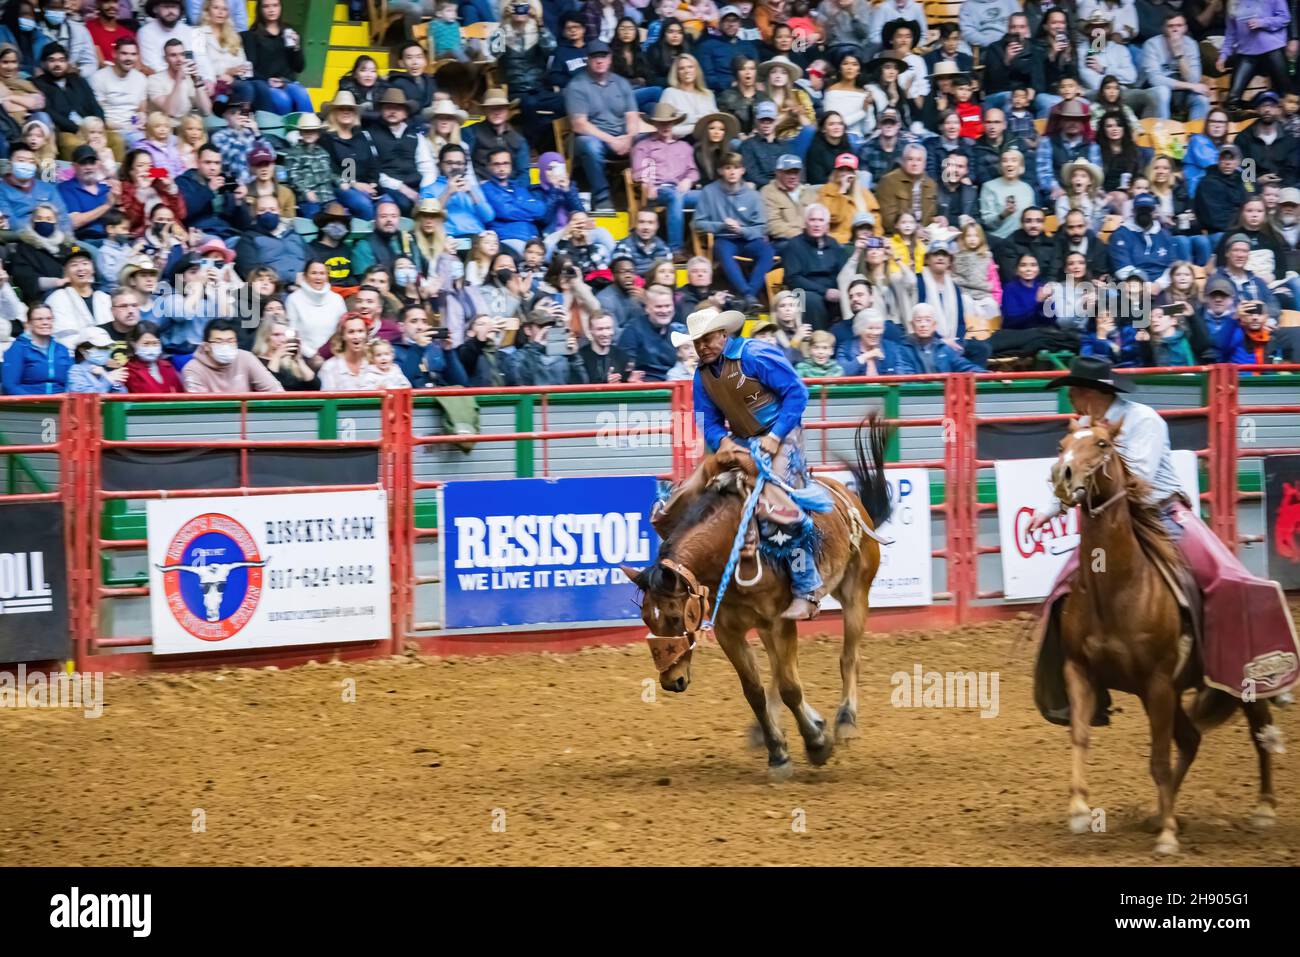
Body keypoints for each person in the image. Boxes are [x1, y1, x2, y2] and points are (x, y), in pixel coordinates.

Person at [1029, 354, 1300, 714]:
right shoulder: (1085, 427)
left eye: (1073, 392)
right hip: (1113, 522)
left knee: (1223, 575)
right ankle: (1074, 690)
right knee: (1064, 592)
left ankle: (1258, 665)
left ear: (1088, 393)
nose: (1071, 400)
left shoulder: (1144, 421)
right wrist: (1048, 509)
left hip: (1163, 512)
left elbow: (1137, 477)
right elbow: (1071, 475)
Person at [674, 304, 825, 618]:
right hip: (742, 441)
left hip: (783, 436)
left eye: (707, 339)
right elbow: (707, 419)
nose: (701, 347)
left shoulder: (755, 355)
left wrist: (776, 435)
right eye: (696, 342)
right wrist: (723, 442)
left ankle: (806, 587)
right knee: (699, 490)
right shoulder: (702, 377)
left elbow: (797, 393)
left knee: (778, 502)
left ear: (723, 334)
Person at [564, 39, 639, 213]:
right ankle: (602, 197)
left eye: (603, 56)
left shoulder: (622, 83)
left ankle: (645, 193)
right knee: (589, 144)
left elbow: (633, 117)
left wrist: (629, 137)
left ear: (610, 58)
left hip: (622, 137)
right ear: (587, 60)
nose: (599, 61)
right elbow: (579, 124)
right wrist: (612, 140)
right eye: (594, 57)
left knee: (647, 141)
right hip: (596, 138)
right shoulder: (577, 86)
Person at [692, 151, 773, 312]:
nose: (732, 172)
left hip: (747, 238)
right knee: (722, 249)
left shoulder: (753, 195)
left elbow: (762, 226)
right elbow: (697, 223)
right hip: (724, 238)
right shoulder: (709, 191)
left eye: (736, 168)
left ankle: (748, 295)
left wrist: (743, 230)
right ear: (721, 171)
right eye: (728, 168)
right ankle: (748, 294)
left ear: (742, 170)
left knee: (768, 251)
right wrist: (721, 225)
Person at [630, 101, 699, 255]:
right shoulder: (644, 146)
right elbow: (639, 171)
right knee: (675, 197)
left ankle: (701, 243)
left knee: (709, 195)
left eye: (669, 123)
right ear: (654, 124)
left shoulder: (684, 146)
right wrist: (648, 184)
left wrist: (688, 180)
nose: (666, 126)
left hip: (680, 189)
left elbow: (693, 171)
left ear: (674, 123)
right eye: (661, 123)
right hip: (657, 190)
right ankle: (675, 249)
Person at [365, 87, 434, 215]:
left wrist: (425, 192)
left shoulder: (416, 136)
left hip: (418, 186)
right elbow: (373, 171)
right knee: (404, 204)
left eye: (397, 108)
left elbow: (427, 166)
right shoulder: (369, 135)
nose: (392, 111)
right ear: (381, 110)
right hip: (389, 186)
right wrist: (402, 188)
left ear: (405, 113)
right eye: (388, 107)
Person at [780, 204, 847, 330]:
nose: (816, 224)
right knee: (812, 300)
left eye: (821, 220)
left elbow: (844, 272)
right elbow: (793, 279)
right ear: (805, 223)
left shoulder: (833, 244)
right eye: (813, 220)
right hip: (804, 291)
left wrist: (841, 291)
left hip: (833, 291)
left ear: (827, 225)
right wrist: (824, 292)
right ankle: (818, 341)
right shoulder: (794, 245)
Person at [31, 43, 104, 158]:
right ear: (43, 64)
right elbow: (48, 111)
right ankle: (73, 175)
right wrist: (78, 129)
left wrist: (98, 127)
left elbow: (94, 105)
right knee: (71, 143)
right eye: (52, 60)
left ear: (67, 63)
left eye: (61, 60)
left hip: (91, 127)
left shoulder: (79, 81)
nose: (57, 64)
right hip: (65, 131)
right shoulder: (37, 84)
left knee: (116, 139)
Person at [240, 0, 312, 115]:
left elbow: (299, 67)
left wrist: (297, 48)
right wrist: (268, 80)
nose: (271, 10)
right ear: (260, 9)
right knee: (283, 100)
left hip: (288, 82)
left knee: (302, 95)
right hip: (266, 83)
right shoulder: (251, 35)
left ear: (280, 7)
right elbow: (250, 69)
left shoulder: (289, 32)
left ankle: (309, 130)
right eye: (266, 6)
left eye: (275, 5)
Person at [1218, 0, 1290, 111]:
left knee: (1286, 95)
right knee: (1232, 100)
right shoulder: (1233, 2)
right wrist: (1223, 56)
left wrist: (1262, 23)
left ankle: (1290, 125)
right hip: (1246, 53)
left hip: (1272, 49)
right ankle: (1254, 112)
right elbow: (1230, 34)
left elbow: (1285, 17)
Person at [1140, 11, 1211, 121]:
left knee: (1202, 99)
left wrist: (1179, 55)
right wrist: (1191, 86)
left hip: (1183, 92)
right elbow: (1154, 80)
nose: (1175, 29)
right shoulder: (1152, 44)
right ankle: (1164, 132)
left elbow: (1194, 79)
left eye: (1179, 25)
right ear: (1163, 28)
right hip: (1158, 90)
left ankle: (1196, 134)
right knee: (1163, 92)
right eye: (1170, 26)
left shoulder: (1191, 44)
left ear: (1185, 28)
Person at [183, 316, 282, 392]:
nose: (226, 346)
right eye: (219, 341)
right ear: (206, 346)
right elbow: (199, 407)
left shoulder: (246, 358)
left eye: (230, 341)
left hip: (246, 416)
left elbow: (275, 390)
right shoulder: (193, 369)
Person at [481, 148, 546, 251]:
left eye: (506, 163)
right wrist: (526, 207)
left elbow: (540, 210)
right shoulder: (486, 188)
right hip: (509, 241)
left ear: (511, 165)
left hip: (533, 240)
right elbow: (505, 210)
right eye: (497, 164)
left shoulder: (518, 187)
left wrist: (514, 204)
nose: (502, 168)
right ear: (488, 167)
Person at [48, 244, 111, 345]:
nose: (80, 268)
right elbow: (62, 338)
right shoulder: (57, 299)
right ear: (66, 272)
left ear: (93, 269)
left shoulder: (105, 298)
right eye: (74, 265)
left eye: (85, 263)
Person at [618, 283, 683, 380]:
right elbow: (624, 367)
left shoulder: (677, 331)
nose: (664, 311)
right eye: (659, 306)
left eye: (668, 306)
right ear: (647, 308)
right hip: (645, 388)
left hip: (674, 383)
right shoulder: (632, 330)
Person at [1, 302, 70, 394]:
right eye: (39, 319)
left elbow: (70, 383)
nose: (45, 322)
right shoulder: (18, 348)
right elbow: (10, 385)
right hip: (30, 404)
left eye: (49, 319)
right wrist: (34, 402)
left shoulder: (62, 350)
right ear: (29, 323)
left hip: (60, 403)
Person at [463, 87, 529, 182]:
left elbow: (524, 174)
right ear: (484, 110)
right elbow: (463, 163)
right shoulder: (472, 131)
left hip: (510, 189)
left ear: (507, 111)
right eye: (492, 108)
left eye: (501, 108)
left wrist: (515, 192)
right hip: (480, 187)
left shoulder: (519, 140)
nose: (497, 112)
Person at [1109, 191, 1177, 282]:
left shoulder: (1165, 234)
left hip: (1163, 286)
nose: (1144, 213)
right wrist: (1144, 285)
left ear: (1154, 213)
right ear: (1133, 211)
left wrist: (1160, 285)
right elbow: (1122, 268)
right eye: (1140, 210)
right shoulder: (1120, 234)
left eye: (1148, 210)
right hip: (1133, 285)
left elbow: (1172, 266)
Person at [875, 143, 935, 235]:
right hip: (897, 236)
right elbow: (887, 220)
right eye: (910, 159)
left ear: (925, 164)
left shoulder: (931, 184)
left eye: (919, 160)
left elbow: (930, 215)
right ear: (903, 161)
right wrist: (914, 231)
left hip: (925, 235)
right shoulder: (889, 181)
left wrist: (936, 219)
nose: (915, 164)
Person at [147, 38, 211, 119]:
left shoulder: (191, 79)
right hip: (165, 129)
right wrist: (179, 79)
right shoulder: (154, 80)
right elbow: (171, 112)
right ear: (165, 59)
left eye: (182, 54)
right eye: (173, 55)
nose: (179, 59)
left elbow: (206, 111)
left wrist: (196, 80)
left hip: (186, 129)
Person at [123, 320, 185, 393]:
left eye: (155, 343)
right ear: (133, 344)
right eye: (146, 344)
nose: (151, 348)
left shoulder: (167, 367)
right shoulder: (129, 372)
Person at [137, 0, 193, 74]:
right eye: (166, 7)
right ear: (155, 9)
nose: (171, 11)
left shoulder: (188, 31)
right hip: (160, 81)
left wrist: (208, 79)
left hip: (188, 79)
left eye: (174, 7)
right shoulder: (145, 32)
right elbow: (152, 66)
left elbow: (197, 60)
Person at [579, 310, 636, 383]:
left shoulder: (621, 356)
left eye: (608, 328)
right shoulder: (581, 357)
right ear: (590, 330)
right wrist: (606, 383)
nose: (605, 334)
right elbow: (580, 385)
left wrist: (631, 382)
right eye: (600, 329)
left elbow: (625, 384)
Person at [67, 324, 127, 393]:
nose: (105, 351)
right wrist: (108, 379)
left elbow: (123, 394)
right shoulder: (76, 371)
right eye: (100, 347)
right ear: (83, 350)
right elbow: (87, 398)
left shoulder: (104, 371)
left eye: (107, 347)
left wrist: (111, 380)